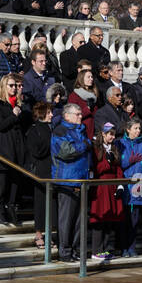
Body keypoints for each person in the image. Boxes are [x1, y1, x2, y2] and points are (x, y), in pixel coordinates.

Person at [50, 104, 92, 261]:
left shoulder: (81, 131)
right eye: (77, 114)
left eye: (81, 114)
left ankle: (75, 250)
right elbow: (66, 152)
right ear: (67, 116)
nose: (80, 117)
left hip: (82, 180)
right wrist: (85, 145)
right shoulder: (60, 130)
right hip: (67, 181)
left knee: (79, 221)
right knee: (66, 220)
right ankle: (65, 251)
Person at [0, 73, 28, 226]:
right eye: (11, 85)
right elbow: (1, 125)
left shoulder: (18, 103)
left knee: (14, 183)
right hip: (3, 147)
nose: (14, 88)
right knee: (1, 182)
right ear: (4, 86)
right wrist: (13, 115)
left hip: (17, 147)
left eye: (16, 86)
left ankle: (12, 211)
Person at [88, 122, 125, 260]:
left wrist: (120, 185)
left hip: (112, 185)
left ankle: (106, 249)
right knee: (100, 218)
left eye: (114, 134)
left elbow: (119, 168)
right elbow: (96, 168)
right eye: (110, 134)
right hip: (101, 186)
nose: (112, 137)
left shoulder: (114, 148)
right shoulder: (96, 148)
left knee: (110, 218)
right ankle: (96, 250)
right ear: (103, 134)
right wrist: (107, 163)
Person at [119, 117, 142, 257]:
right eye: (135, 128)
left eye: (139, 128)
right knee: (123, 217)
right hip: (125, 183)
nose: (138, 131)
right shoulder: (120, 143)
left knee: (135, 217)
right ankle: (123, 247)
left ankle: (132, 247)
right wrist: (128, 161)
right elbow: (118, 163)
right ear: (128, 129)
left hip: (138, 183)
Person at [26, 102, 56, 249]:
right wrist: (52, 144)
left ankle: (49, 233)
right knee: (40, 203)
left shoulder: (53, 128)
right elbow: (36, 151)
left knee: (51, 203)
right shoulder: (34, 129)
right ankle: (38, 233)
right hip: (41, 171)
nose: (52, 115)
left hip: (53, 170)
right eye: (49, 112)